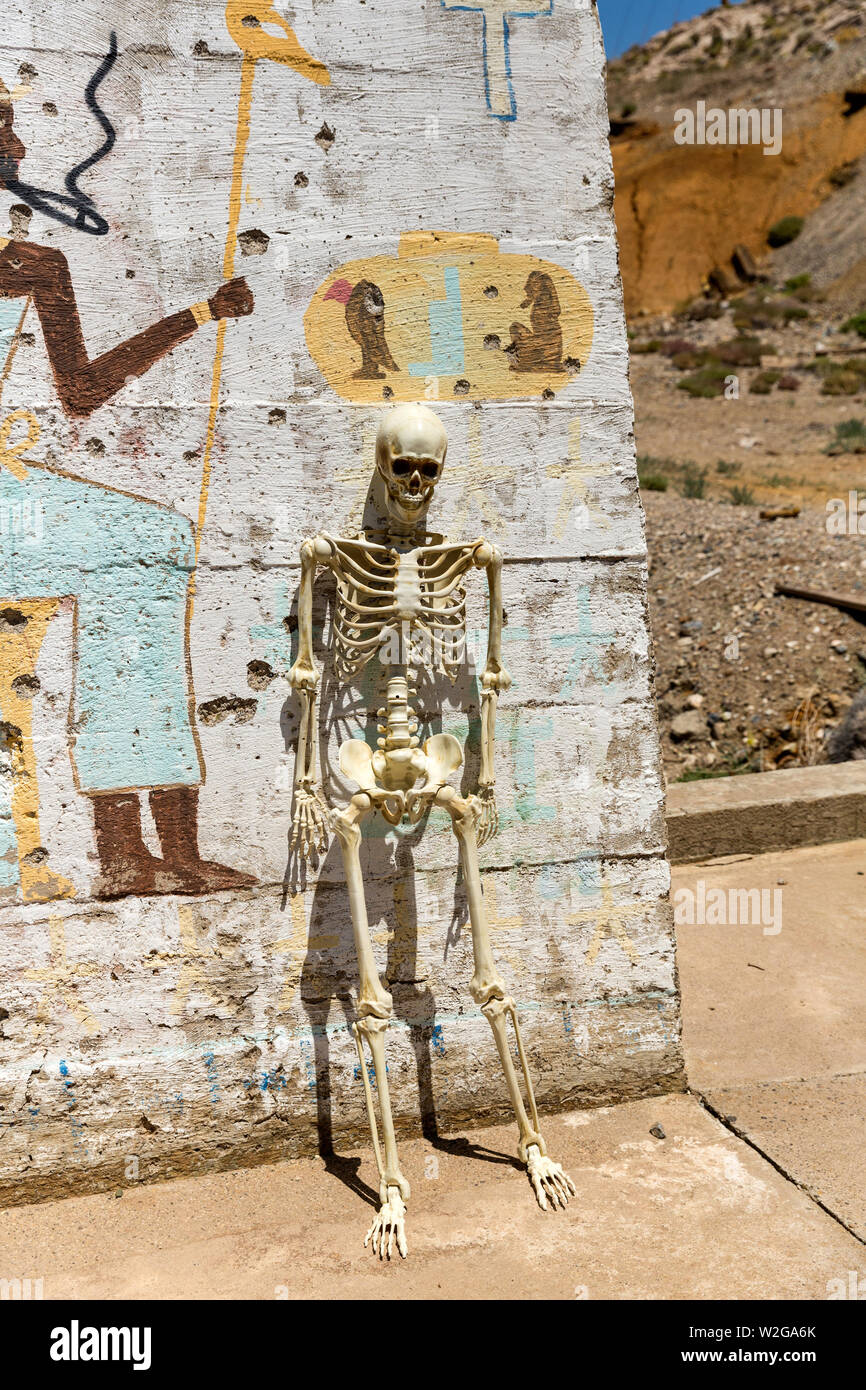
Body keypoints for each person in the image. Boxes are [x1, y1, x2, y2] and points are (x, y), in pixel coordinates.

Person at [0, 77, 256, 899]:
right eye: (0, 132)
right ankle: (133, 847)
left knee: (149, 539)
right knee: (141, 543)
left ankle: (145, 851)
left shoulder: (34, 265)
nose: (17, 150)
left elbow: (80, 389)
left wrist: (199, 316)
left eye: (12, 130)